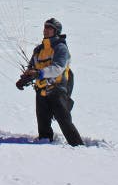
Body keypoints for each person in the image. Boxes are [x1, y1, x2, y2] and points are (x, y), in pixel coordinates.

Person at [16, 18, 84, 146]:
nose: (46, 30)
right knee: (43, 125)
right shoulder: (38, 50)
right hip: (41, 91)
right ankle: (45, 148)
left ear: (56, 31)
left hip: (57, 90)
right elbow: (32, 68)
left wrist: (39, 73)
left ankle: (78, 147)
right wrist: (23, 80)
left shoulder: (60, 48)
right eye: (45, 27)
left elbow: (58, 68)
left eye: (49, 28)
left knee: (64, 122)